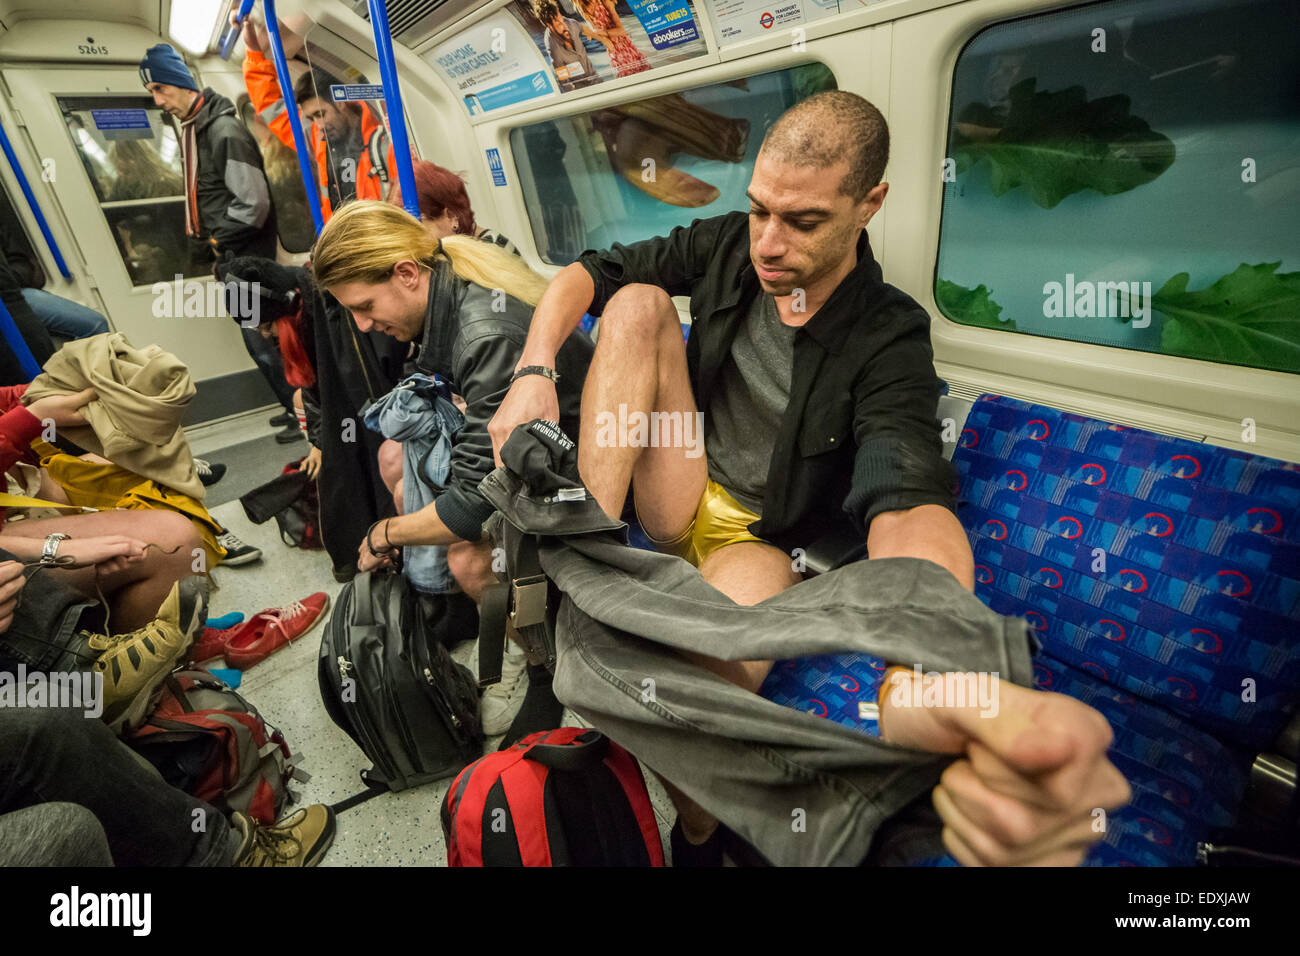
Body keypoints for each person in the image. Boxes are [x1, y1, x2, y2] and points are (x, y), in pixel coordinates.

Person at [487, 90, 1129, 865]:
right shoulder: (732, 245)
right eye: (760, 210)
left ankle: (698, 832)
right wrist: (533, 368)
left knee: (678, 687)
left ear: (869, 205)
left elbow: (908, 496)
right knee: (635, 303)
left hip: (765, 539)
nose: (768, 242)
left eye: (803, 222)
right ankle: (579, 556)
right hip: (677, 482)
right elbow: (583, 276)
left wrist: (924, 664)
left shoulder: (886, 333)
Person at [310, 200, 594, 741]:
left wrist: (383, 532)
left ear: (407, 274)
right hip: (540, 450)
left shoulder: (483, 332)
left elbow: (469, 507)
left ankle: (537, 658)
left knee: (467, 555)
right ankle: (476, 609)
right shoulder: (450, 293)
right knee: (392, 457)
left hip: (579, 472)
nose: (364, 324)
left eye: (366, 306)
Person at [138, 43, 299, 447]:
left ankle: (302, 414)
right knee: (260, 342)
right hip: (231, 257)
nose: (159, 101)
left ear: (180, 82)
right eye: (152, 93)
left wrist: (215, 238)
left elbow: (254, 203)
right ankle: (292, 409)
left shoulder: (223, 131)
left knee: (265, 343)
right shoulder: (198, 129)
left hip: (248, 259)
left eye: (160, 89)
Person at [216, 255, 406, 583]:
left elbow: (342, 394)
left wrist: (329, 439)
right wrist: (319, 441)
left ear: (284, 312)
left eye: (267, 326)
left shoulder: (329, 317)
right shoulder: (303, 318)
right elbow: (316, 395)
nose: (266, 336)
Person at [237, 15, 399, 220]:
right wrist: (253, 53)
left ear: (339, 102)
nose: (318, 124)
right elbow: (271, 106)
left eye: (321, 114)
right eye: (311, 117)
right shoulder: (316, 136)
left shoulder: (383, 140)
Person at [534, 0, 601, 92]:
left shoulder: (569, 23)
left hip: (596, 79)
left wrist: (599, 36)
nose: (565, 25)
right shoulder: (552, 46)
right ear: (550, 26)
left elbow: (583, 28)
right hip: (581, 89)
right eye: (558, 23)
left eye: (561, 18)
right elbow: (562, 77)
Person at [574, 0, 651, 78]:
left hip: (624, 47)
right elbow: (592, 31)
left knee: (640, 76)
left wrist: (601, 33)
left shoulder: (604, 2)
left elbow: (621, 31)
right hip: (613, 51)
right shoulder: (582, 7)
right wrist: (602, 38)